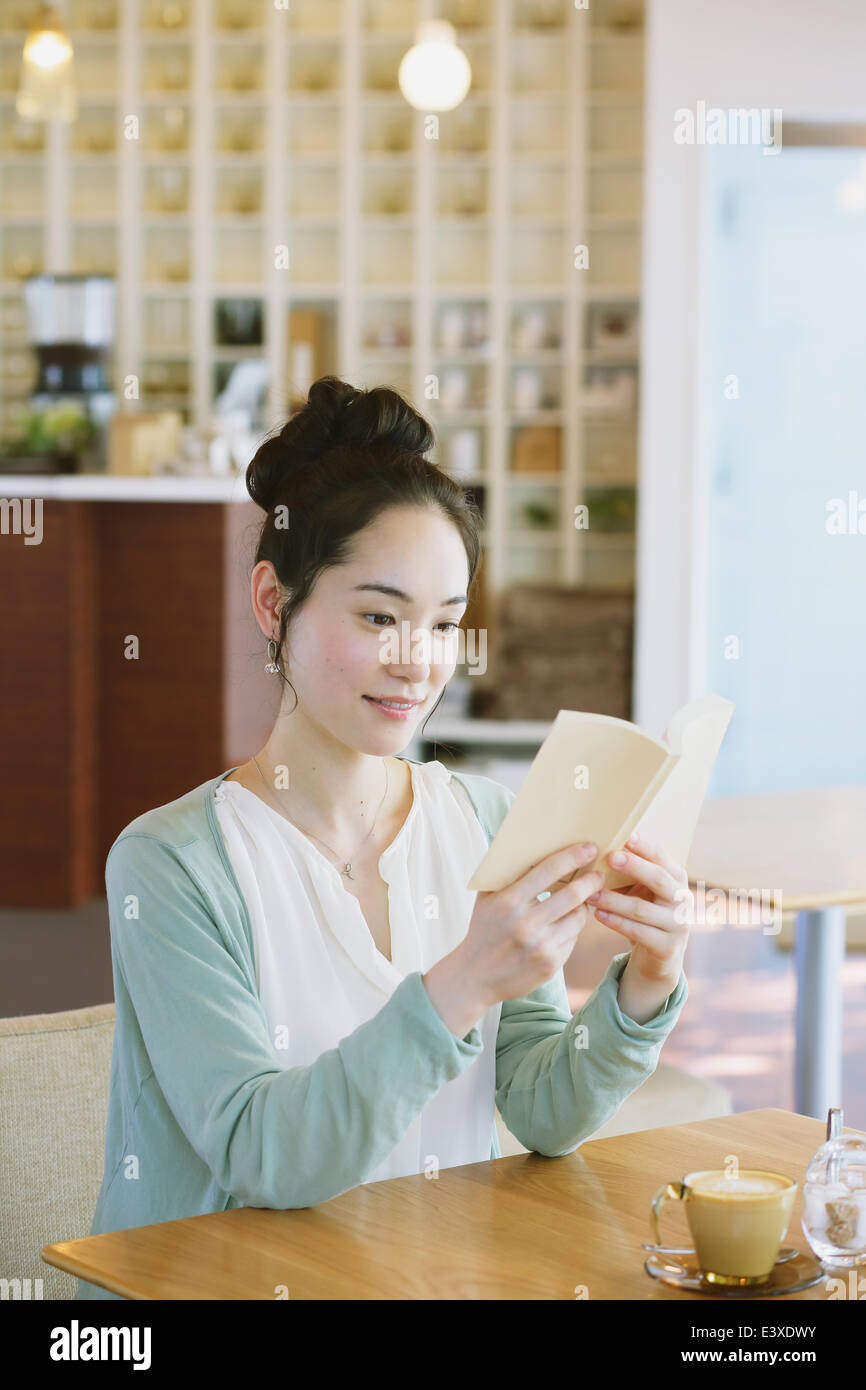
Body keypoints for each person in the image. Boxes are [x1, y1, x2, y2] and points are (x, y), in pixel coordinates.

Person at [77, 376, 690, 1300]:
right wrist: (465, 979)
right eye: (378, 616)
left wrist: (647, 984)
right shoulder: (171, 865)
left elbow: (541, 1107)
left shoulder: (481, 819)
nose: (418, 661)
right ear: (273, 603)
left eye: (443, 624)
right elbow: (263, 1156)